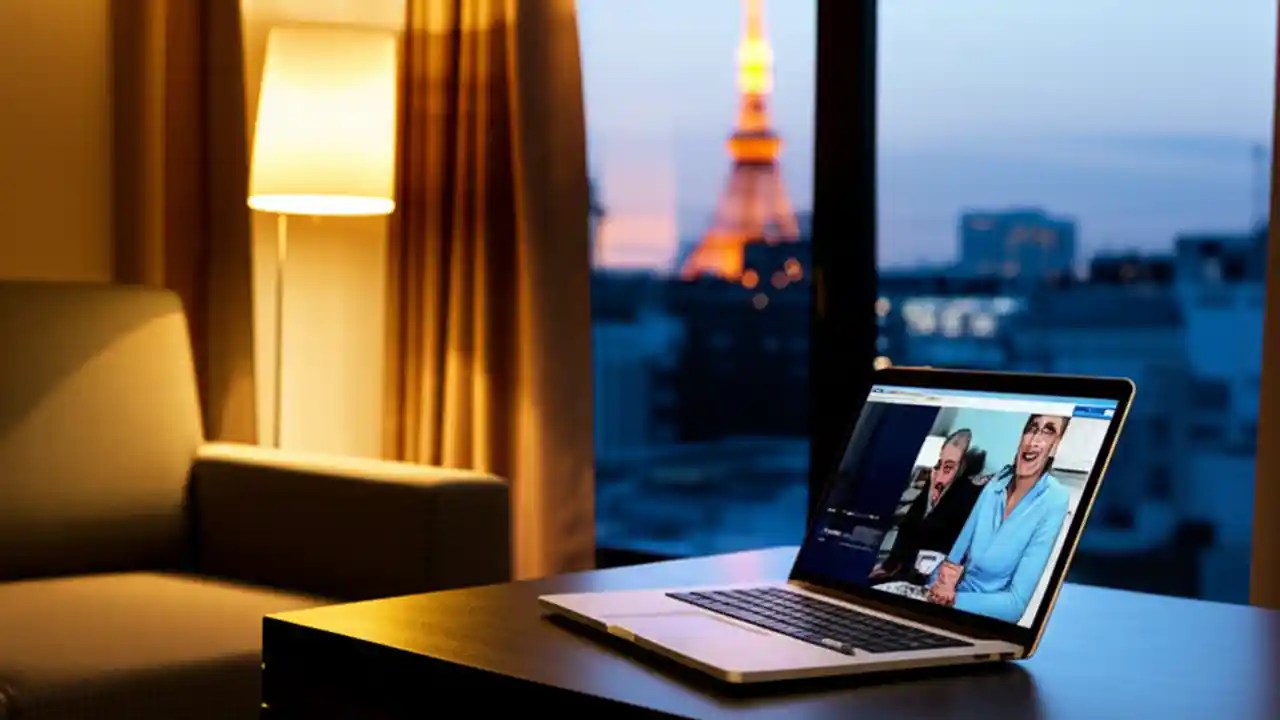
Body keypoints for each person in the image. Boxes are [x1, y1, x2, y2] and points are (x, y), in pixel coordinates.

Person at [926, 413, 1072, 623]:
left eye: (1048, 431)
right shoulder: (996, 484)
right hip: (943, 604)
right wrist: (938, 586)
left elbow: (1015, 605)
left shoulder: (1054, 499)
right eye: (1031, 429)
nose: (1033, 441)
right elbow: (951, 561)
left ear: (1056, 445)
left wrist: (950, 600)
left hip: (975, 617)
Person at [869, 429, 982, 583]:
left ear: (961, 468)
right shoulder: (933, 480)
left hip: (932, 574)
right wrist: (890, 564)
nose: (938, 476)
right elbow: (909, 523)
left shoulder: (968, 494)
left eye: (948, 467)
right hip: (906, 565)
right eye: (939, 464)